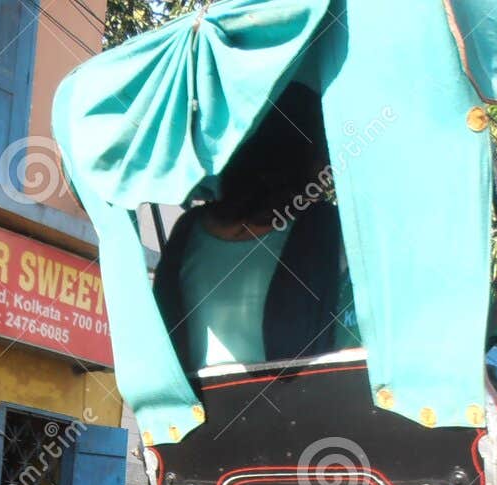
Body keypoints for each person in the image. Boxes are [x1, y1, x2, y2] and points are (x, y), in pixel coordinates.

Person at [152, 84, 359, 372]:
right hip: (302, 410)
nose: (328, 169)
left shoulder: (188, 230)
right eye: (323, 152)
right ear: (304, 158)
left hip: (198, 413)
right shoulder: (324, 226)